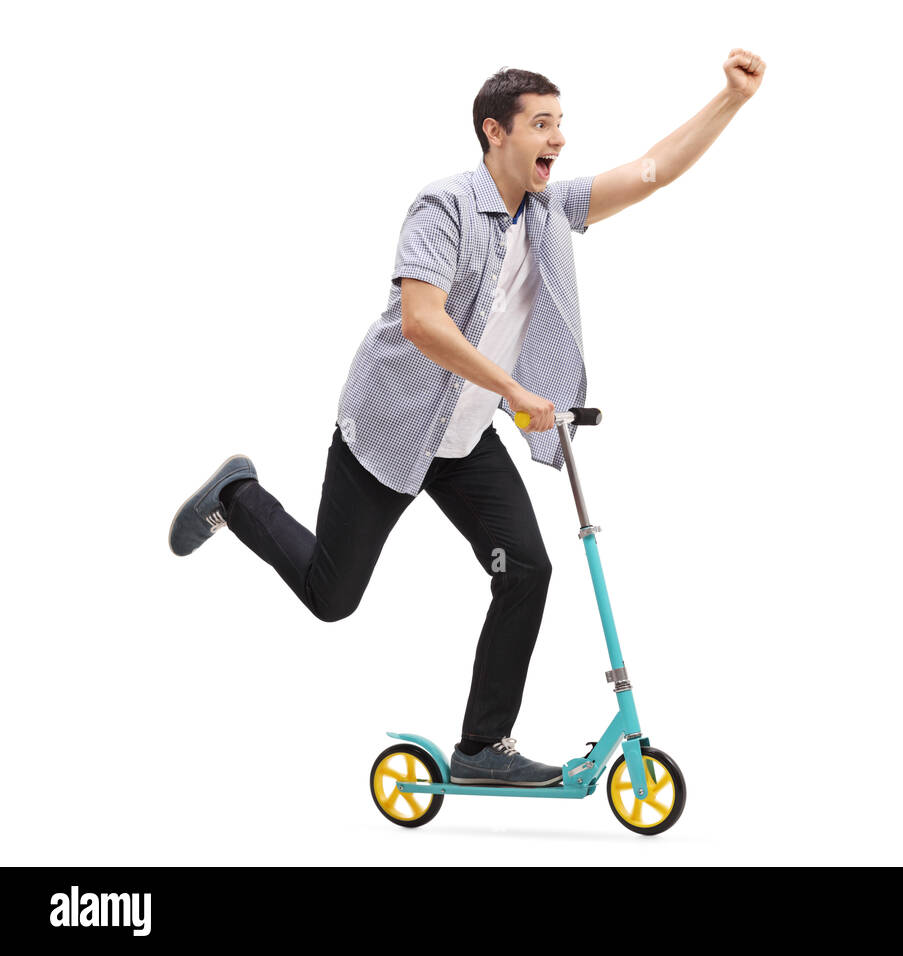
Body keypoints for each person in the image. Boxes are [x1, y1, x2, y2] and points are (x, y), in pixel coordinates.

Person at [168, 50, 766, 786]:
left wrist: (729, 100)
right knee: (331, 597)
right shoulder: (442, 206)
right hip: (390, 428)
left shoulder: (550, 211)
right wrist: (515, 390)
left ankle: (482, 748)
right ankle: (238, 496)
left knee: (529, 572)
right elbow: (423, 323)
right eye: (542, 125)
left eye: (561, 124)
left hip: (465, 436)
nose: (559, 139)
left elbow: (651, 171)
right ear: (495, 133)